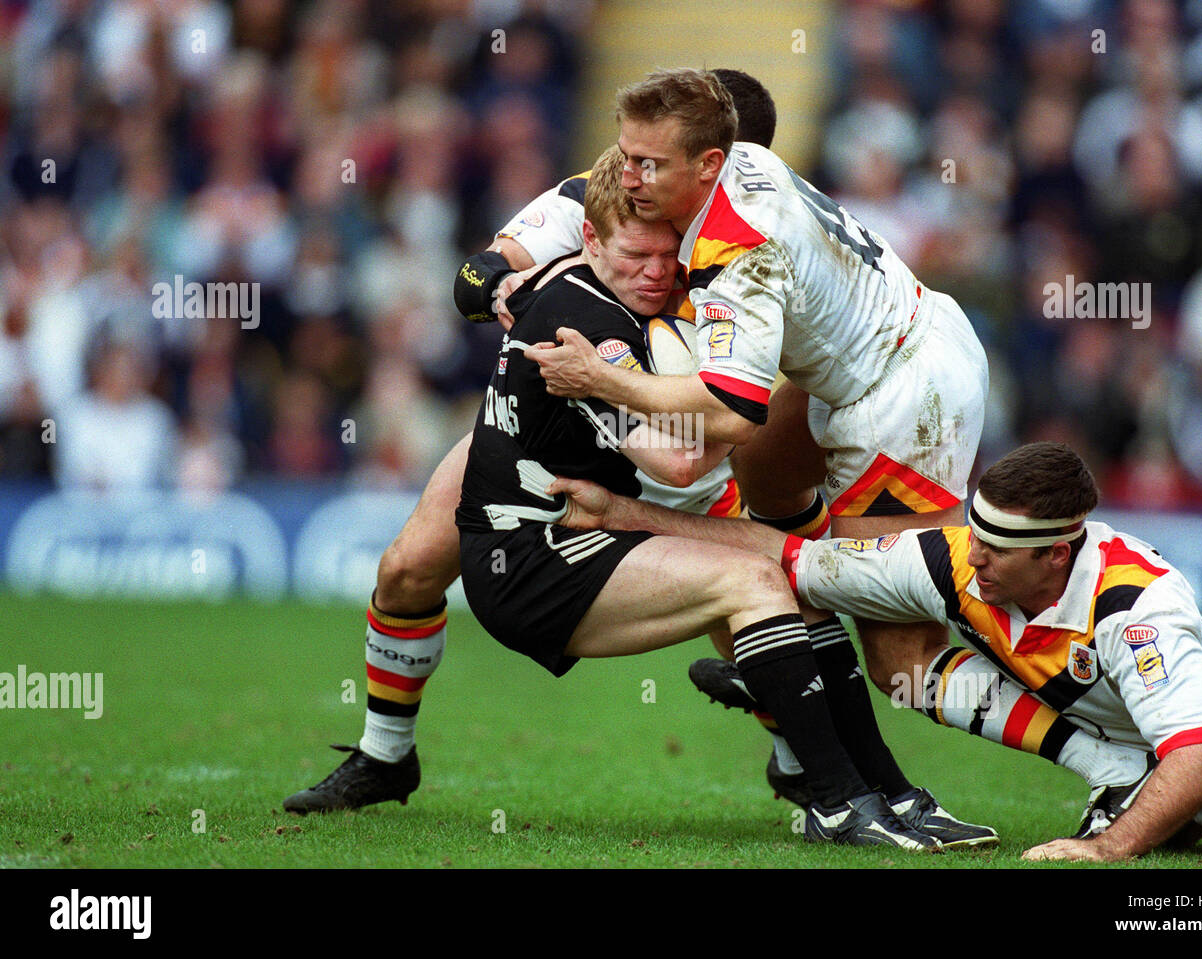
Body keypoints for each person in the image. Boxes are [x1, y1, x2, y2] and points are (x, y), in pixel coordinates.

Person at [282, 70, 772, 814]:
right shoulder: (599, 191)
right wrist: (509, 287)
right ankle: (386, 756)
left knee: (741, 597)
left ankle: (807, 771)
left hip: (678, 427)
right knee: (409, 567)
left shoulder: (760, 235)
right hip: (557, 410)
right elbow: (476, 276)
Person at [453, 145, 940, 849]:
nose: (655, 273)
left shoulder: (600, 290)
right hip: (532, 554)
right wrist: (738, 408)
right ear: (590, 239)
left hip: (587, 523)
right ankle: (834, 803)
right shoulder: (585, 320)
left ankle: (887, 792)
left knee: (800, 579)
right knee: (753, 582)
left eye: (666, 256)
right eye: (635, 256)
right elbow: (678, 459)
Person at [527, 67, 990, 808]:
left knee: (905, 658)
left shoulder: (735, 247)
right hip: (909, 339)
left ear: (706, 162)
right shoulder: (746, 158)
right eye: (628, 156)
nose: (629, 177)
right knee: (767, 472)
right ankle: (788, 642)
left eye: (650, 164)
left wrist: (602, 380)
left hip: (902, 403)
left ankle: (1095, 740)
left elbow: (731, 409)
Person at [547, 442, 1202, 860]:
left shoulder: (1137, 613)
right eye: (973, 535)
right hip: (1171, 739)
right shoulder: (956, 558)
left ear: (1056, 558)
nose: (975, 562)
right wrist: (626, 514)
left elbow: (1200, 761)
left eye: (998, 551)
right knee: (899, 660)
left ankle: (1121, 784)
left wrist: (1105, 852)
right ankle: (1108, 769)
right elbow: (792, 556)